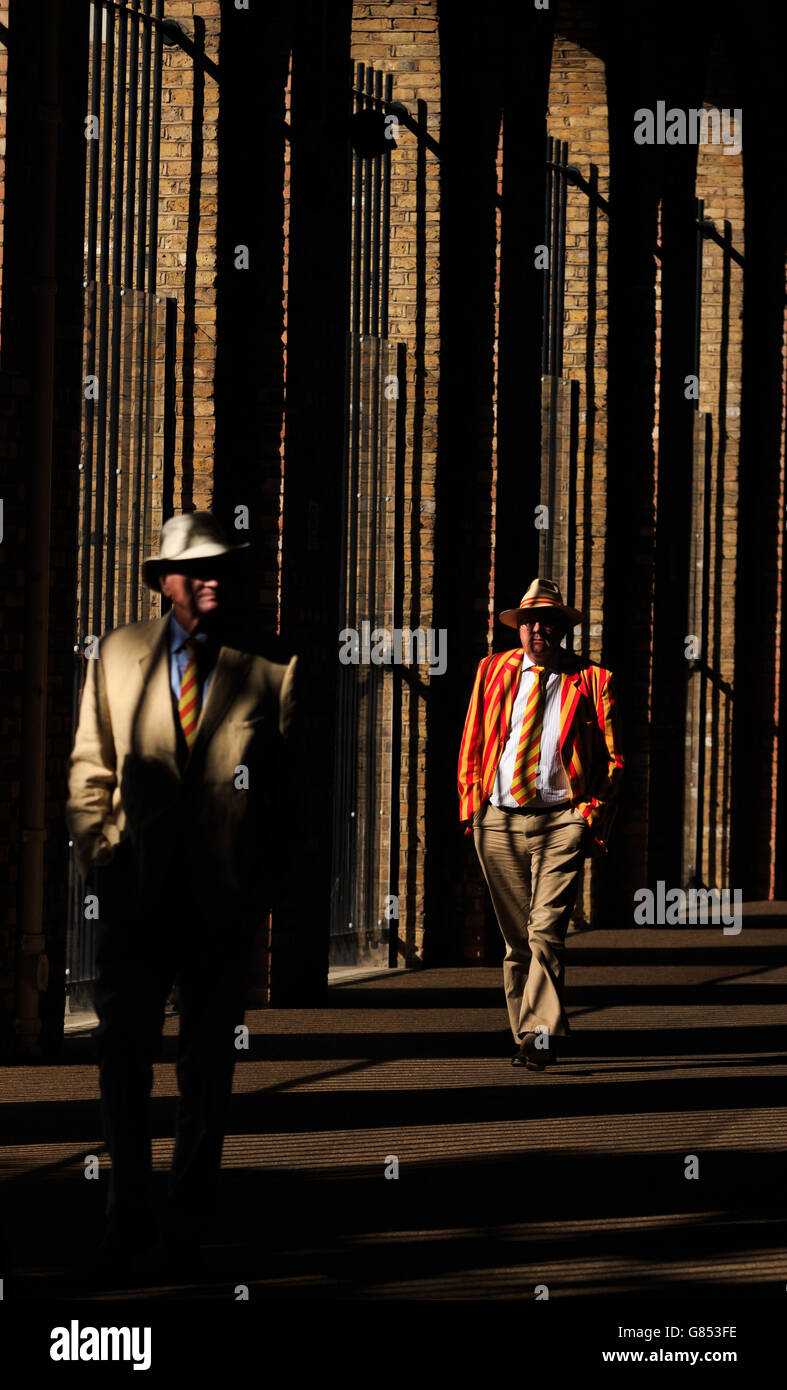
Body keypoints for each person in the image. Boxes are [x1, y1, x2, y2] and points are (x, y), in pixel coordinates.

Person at [66, 512, 298, 1267]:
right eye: (194, 569)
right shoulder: (120, 654)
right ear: (162, 580)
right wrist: (100, 847)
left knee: (207, 1059)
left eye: (222, 569)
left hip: (221, 902)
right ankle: (126, 1205)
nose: (209, 581)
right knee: (121, 1051)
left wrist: (260, 883)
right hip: (134, 892)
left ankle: (193, 1201)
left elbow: (288, 793)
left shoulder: (271, 665)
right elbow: (90, 760)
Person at [457, 578, 623, 1071]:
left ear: (562, 630)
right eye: (528, 623)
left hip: (560, 821)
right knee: (516, 941)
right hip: (500, 820)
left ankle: (539, 1035)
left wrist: (586, 815)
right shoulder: (492, 671)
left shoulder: (593, 680)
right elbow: (472, 744)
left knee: (546, 930)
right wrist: (475, 810)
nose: (536, 631)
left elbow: (614, 760)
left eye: (546, 623)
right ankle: (525, 1031)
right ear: (519, 629)